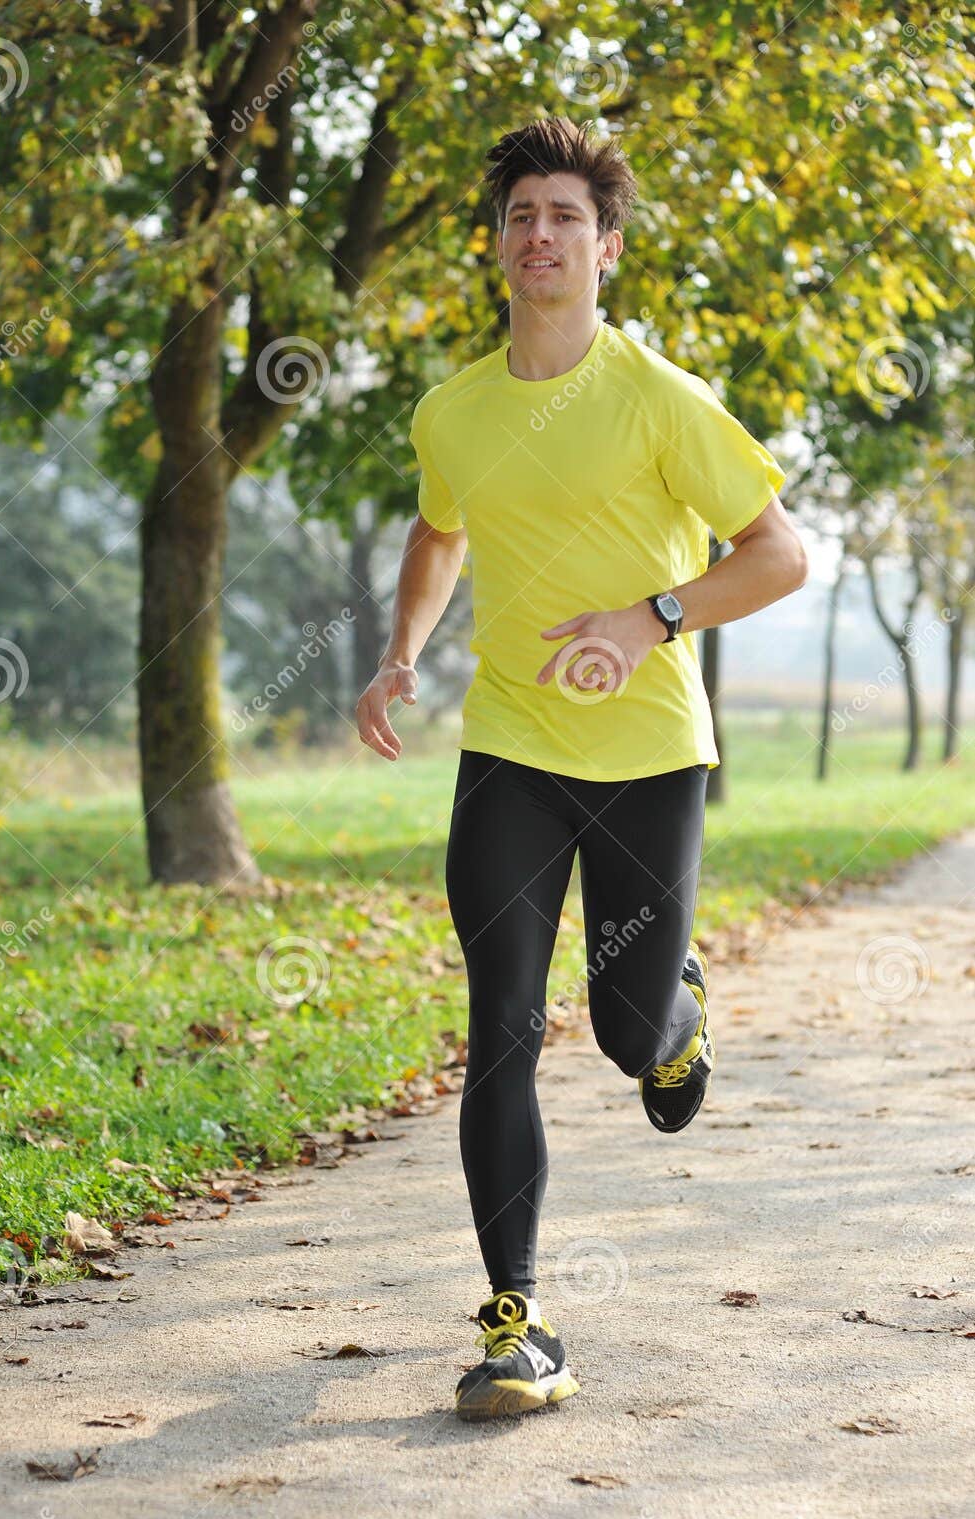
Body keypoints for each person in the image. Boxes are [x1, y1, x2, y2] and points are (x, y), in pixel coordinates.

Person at [355, 116, 807, 1422]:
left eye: (565, 216)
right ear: (499, 246)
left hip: (648, 755)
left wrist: (652, 616)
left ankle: (673, 1017)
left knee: (621, 1032)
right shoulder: (452, 410)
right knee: (498, 1024)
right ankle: (518, 1320)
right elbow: (438, 532)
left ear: (605, 248)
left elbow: (779, 555)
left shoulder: (660, 398)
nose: (539, 235)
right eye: (520, 217)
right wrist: (399, 654)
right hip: (508, 744)